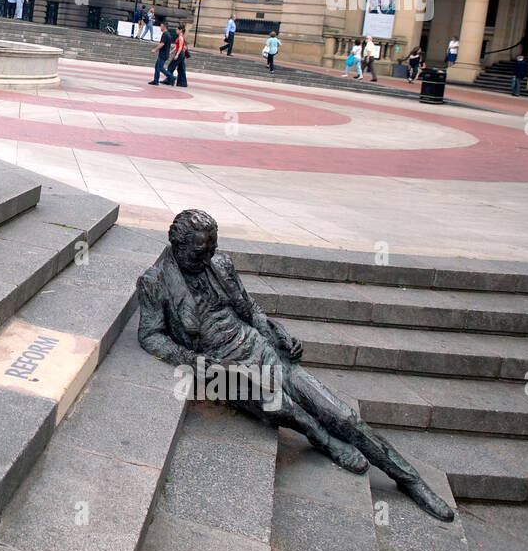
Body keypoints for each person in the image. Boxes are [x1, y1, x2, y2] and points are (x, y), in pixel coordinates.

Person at [138, 209, 455, 522]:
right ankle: (319, 435)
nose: (207, 257)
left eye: (212, 248)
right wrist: (194, 361)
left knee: (343, 415)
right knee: (282, 406)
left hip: (262, 351)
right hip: (223, 369)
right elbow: (151, 336)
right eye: (199, 252)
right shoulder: (155, 282)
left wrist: (279, 333)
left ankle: (410, 479)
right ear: (177, 245)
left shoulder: (220, 265)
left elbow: (251, 311)